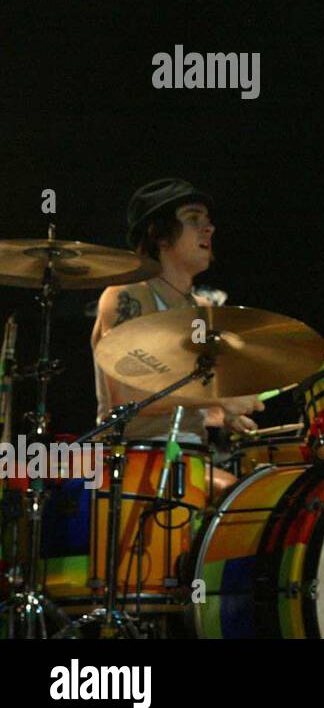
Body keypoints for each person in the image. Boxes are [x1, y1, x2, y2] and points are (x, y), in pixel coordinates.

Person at [90, 178, 262, 493]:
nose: (209, 229)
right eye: (194, 219)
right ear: (159, 234)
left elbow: (188, 395)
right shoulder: (127, 295)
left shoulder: (204, 308)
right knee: (240, 497)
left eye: (208, 221)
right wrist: (221, 397)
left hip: (192, 455)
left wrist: (222, 414)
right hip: (133, 460)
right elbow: (127, 398)